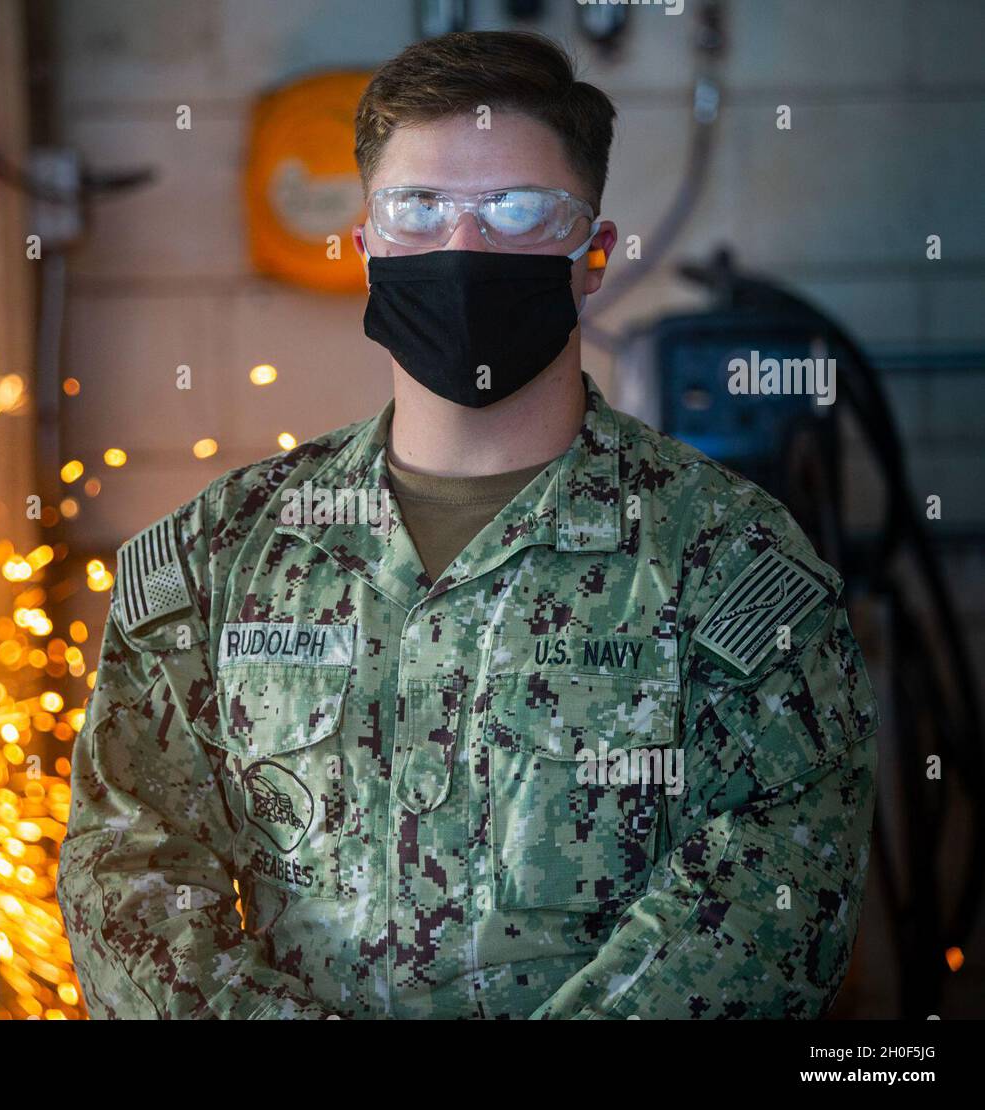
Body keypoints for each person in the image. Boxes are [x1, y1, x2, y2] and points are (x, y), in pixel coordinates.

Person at [58, 29, 879, 1019]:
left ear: (594, 258)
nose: (463, 246)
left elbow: (771, 899)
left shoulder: (731, 571)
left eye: (519, 210)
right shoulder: (217, 556)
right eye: (419, 210)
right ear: (366, 252)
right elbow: (128, 866)